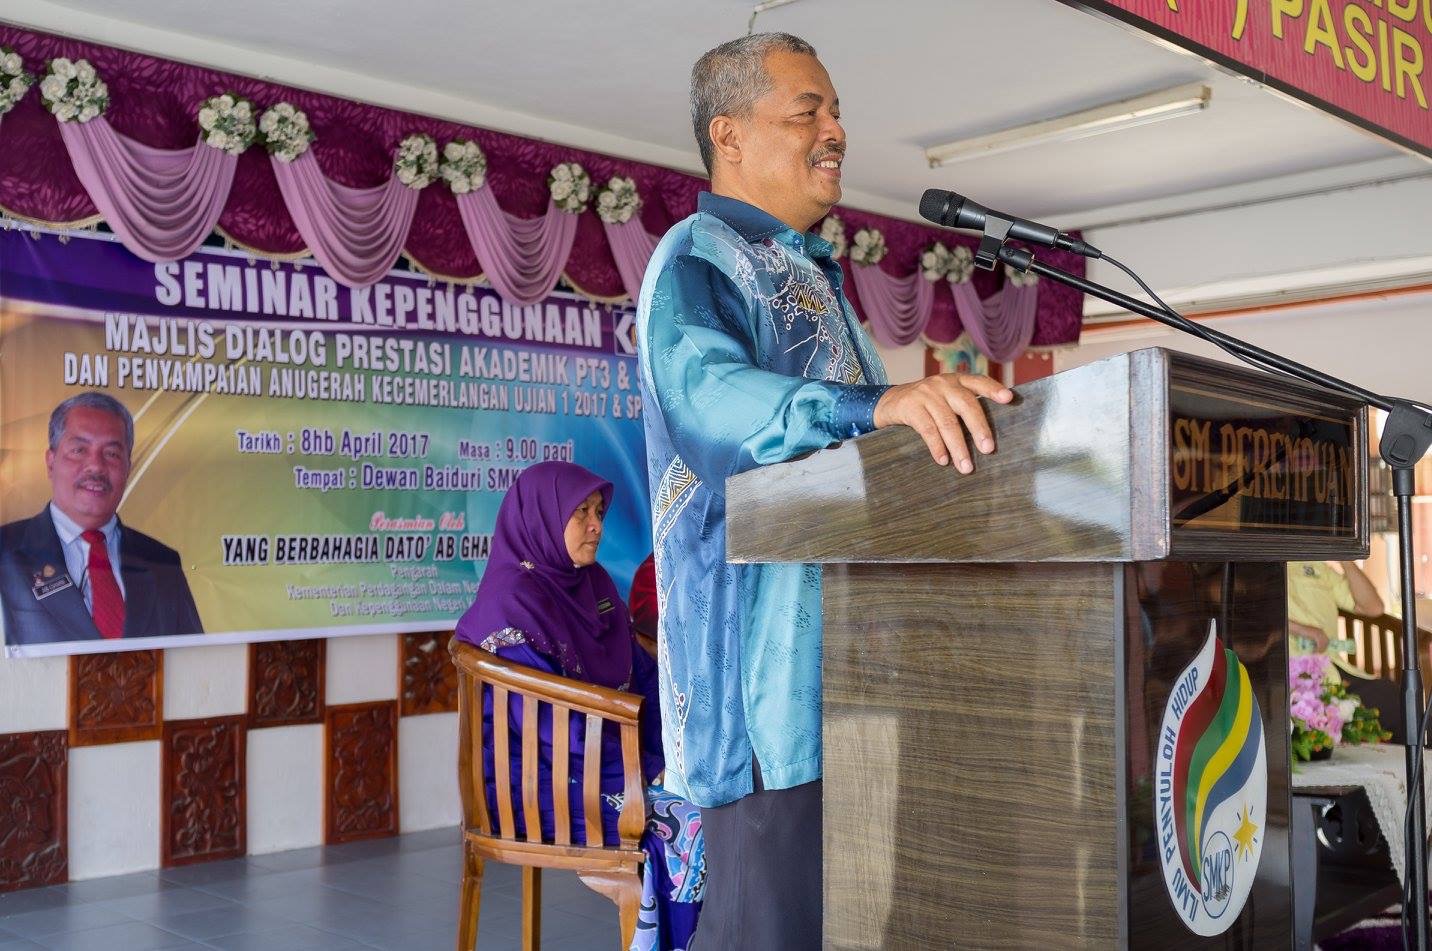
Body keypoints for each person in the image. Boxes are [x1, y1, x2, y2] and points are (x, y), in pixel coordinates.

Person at [636, 33, 1012, 948]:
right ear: (729, 135)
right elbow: (716, 408)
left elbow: (856, 470)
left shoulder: (811, 273)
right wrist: (882, 402)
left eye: (836, 110)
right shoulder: (698, 258)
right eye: (808, 111)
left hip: (851, 689)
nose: (836, 129)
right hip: (758, 711)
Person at [453, 461, 703, 950]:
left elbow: (639, 672)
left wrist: (681, 738)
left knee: (718, 800)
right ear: (543, 518)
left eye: (599, 511)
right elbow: (542, 720)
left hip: (607, 760)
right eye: (580, 513)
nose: (596, 525)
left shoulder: (593, 585)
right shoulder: (511, 600)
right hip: (535, 779)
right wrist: (643, 763)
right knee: (690, 823)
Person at [0, 392, 203, 646]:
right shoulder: (5, 550)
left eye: (111, 454)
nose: (95, 467)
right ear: (50, 462)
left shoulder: (162, 563)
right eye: (79, 450)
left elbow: (192, 663)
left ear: (128, 467)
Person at [1288, 560, 1385, 679]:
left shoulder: (1316, 566)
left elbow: (1373, 607)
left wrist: (1346, 561)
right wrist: (1298, 629)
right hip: (1284, 674)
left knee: (1388, 693)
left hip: (1331, 668)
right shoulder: (1260, 567)